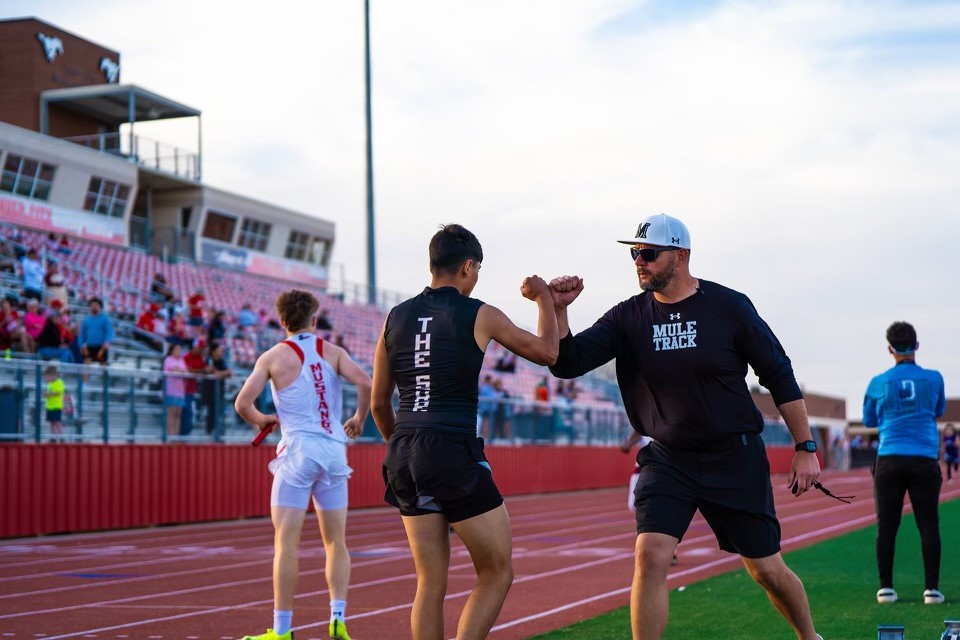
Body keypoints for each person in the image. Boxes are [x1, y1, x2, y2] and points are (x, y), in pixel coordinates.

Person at [548, 213, 823, 640]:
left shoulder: (729, 307)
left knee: (765, 569)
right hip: (669, 459)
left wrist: (805, 447)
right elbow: (568, 363)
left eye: (649, 254)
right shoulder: (627, 317)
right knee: (650, 555)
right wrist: (558, 312)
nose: (639, 262)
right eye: (635, 254)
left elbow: (778, 373)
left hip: (733, 457)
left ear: (681, 255)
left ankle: (810, 637)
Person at [370, 224, 559, 640]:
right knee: (497, 571)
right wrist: (544, 299)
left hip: (402, 450)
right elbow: (548, 352)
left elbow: (378, 405)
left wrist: (405, 447)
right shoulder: (479, 312)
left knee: (429, 584)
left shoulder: (394, 317)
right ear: (468, 267)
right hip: (451, 449)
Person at [235, 289, 371, 640]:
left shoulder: (272, 357)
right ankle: (338, 618)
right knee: (335, 542)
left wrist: (265, 418)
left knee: (286, 544)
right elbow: (365, 381)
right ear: (314, 318)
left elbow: (242, 404)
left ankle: (282, 631)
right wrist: (358, 417)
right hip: (333, 453)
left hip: (296, 453)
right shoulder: (333, 351)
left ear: (282, 321)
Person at [862, 321, 946, 605]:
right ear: (917, 346)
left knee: (886, 526)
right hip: (924, 458)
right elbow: (938, 410)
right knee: (929, 524)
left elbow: (869, 421)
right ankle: (932, 590)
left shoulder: (877, 382)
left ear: (890, 349)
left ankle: (886, 588)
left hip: (890, 457)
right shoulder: (935, 378)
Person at [202, 342, 232, 436]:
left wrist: (220, 373)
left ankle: (220, 434)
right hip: (210, 392)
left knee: (220, 413)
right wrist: (221, 373)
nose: (221, 351)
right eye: (219, 349)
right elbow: (211, 371)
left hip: (220, 392)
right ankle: (210, 433)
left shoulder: (221, 361)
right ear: (214, 351)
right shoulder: (209, 360)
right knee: (211, 413)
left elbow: (229, 372)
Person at [181, 339, 209, 436]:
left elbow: (205, 370)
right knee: (185, 413)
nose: (201, 350)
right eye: (200, 348)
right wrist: (200, 371)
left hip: (191, 390)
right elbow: (188, 370)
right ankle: (181, 436)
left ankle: (184, 435)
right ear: (194, 347)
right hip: (181, 390)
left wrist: (200, 370)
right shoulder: (186, 357)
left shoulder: (200, 358)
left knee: (189, 413)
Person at [162, 343, 188, 438]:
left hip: (180, 391)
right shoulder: (168, 359)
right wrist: (177, 370)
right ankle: (170, 435)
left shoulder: (181, 360)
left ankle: (176, 436)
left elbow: (185, 371)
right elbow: (168, 371)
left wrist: (176, 370)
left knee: (178, 413)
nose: (179, 351)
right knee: (171, 413)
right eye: (177, 349)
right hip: (171, 390)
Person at [79, 298, 113, 365]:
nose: (94, 307)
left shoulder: (105, 319)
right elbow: (82, 334)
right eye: (92, 305)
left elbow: (109, 332)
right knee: (86, 367)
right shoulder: (86, 320)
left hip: (101, 347)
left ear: (100, 307)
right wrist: (82, 346)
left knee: (103, 367)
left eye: (96, 305)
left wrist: (107, 343)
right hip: (89, 346)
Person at [43, 365, 65, 442]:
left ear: (52, 375)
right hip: (49, 406)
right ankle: (52, 437)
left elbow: (57, 392)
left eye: (47, 376)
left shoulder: (59, 382)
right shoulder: (49, 384)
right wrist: (46, 395)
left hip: (57, 406)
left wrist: (47, 394)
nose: (46, 378)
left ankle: (62, 437)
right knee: (51, 422)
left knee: (57, 421)